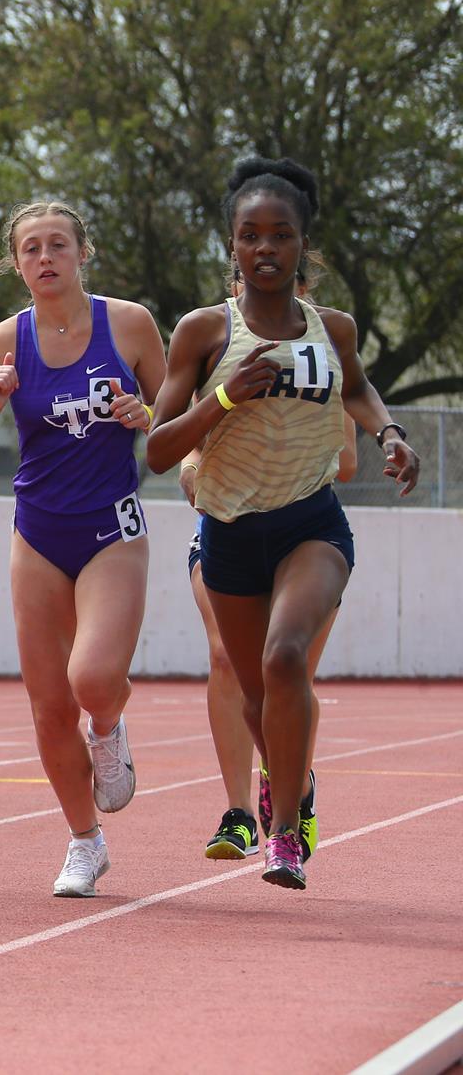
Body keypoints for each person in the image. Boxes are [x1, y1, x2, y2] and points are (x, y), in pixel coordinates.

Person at [149, 157, 419, 890]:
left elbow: (359, 389)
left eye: (281, 235)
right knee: (255, 695)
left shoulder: (334, 328)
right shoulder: (204, 331)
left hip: (312, 525)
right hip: (231, 532)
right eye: (250, 235)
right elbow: (157, 447)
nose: (266, 248)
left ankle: (289, 831)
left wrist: (390, 433)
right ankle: (287, 776)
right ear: (231, 246)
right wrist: (225, 399)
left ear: (304, 245)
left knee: (285, 655)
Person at [0, 202, 167, 898]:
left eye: (58, 245)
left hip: (112, 528)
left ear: (82, 252)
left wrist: (146, 414)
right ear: (16, 263)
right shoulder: (3, 342)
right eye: (32, 248)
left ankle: (109, 727)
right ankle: (84, 841)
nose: (46, 258)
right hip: (37, 531)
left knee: (93, 677)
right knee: (46, 704)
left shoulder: (128, 323)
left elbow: (179, 430)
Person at [186, 274, 359, 862]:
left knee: (285, 667)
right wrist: (204, 464)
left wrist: (292, 443)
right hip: (223, 526)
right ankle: (238, 812)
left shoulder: (326, 355)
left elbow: (346, 459)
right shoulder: (213, 341)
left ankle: (290, 792)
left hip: (300, 526)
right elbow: (179, 449)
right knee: (226, 661)